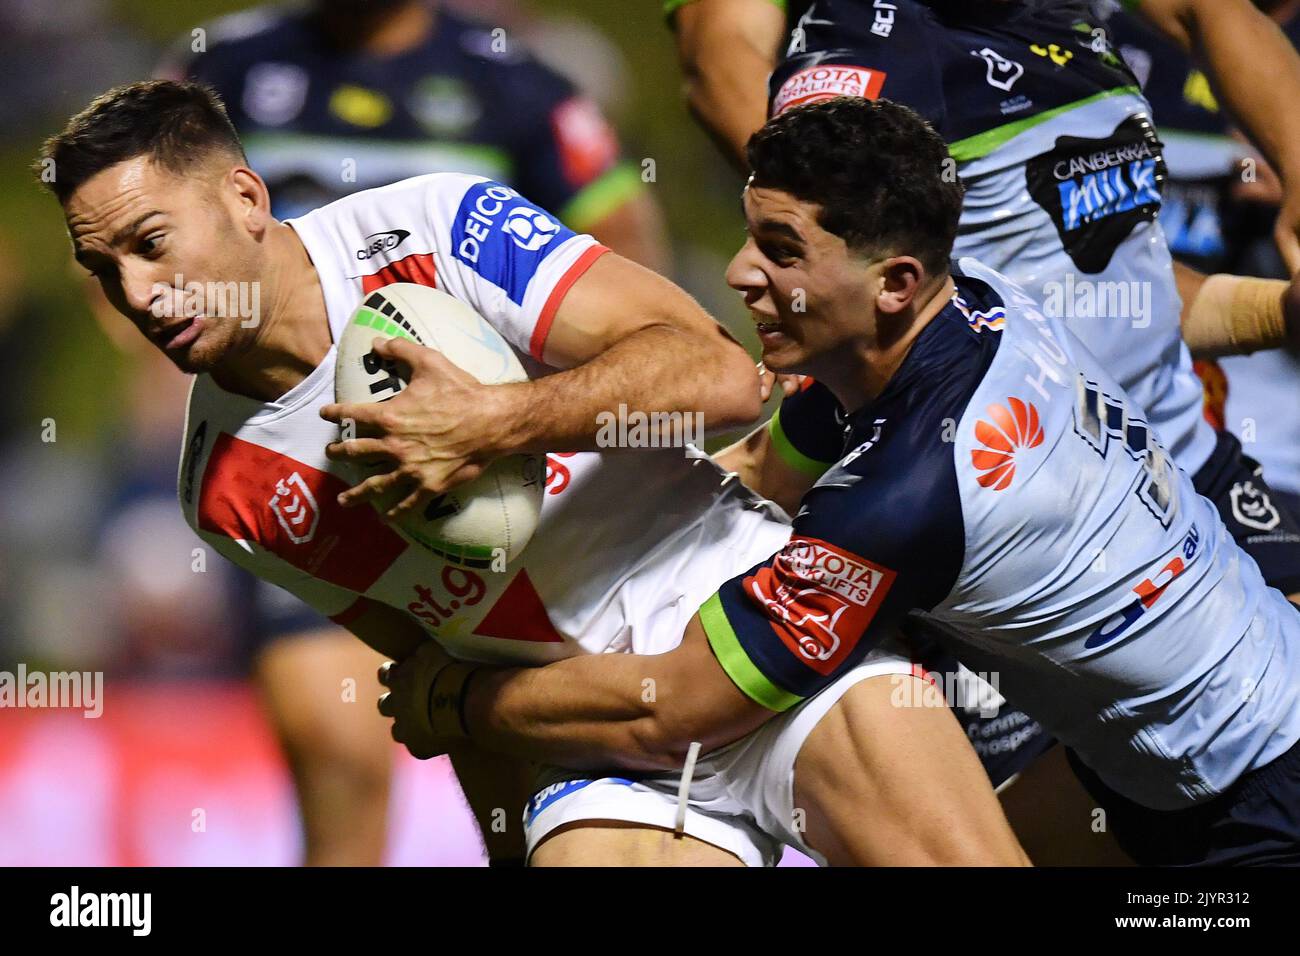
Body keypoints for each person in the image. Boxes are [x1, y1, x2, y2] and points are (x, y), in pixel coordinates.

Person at [36, 80, 1028, 868]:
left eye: (151, 244)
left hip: (748, 614)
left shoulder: (430, 230)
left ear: (245, 199)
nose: (137, 293)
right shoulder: (224, 494)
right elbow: (440, 673)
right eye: (104, 269)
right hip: (594, 739)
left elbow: (727, 382)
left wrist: (499, 418)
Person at [389, 97, 1300, 867]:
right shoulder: (970, 298)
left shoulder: (903, 498)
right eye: (750, 238)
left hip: (1255, 795)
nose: (742, 275)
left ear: (894, 282)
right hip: (1184, 732)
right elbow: (759, 470)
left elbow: (673, 711)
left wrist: (455, 700)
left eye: (781, 250)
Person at [154, 0, 671, 865]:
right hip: (302, 468)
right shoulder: (227, 66)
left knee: (508, 763)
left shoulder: (517, 79)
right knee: (338, 747)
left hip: (480, 473)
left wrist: (536, 399)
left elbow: (624, 243)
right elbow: (129, 231)